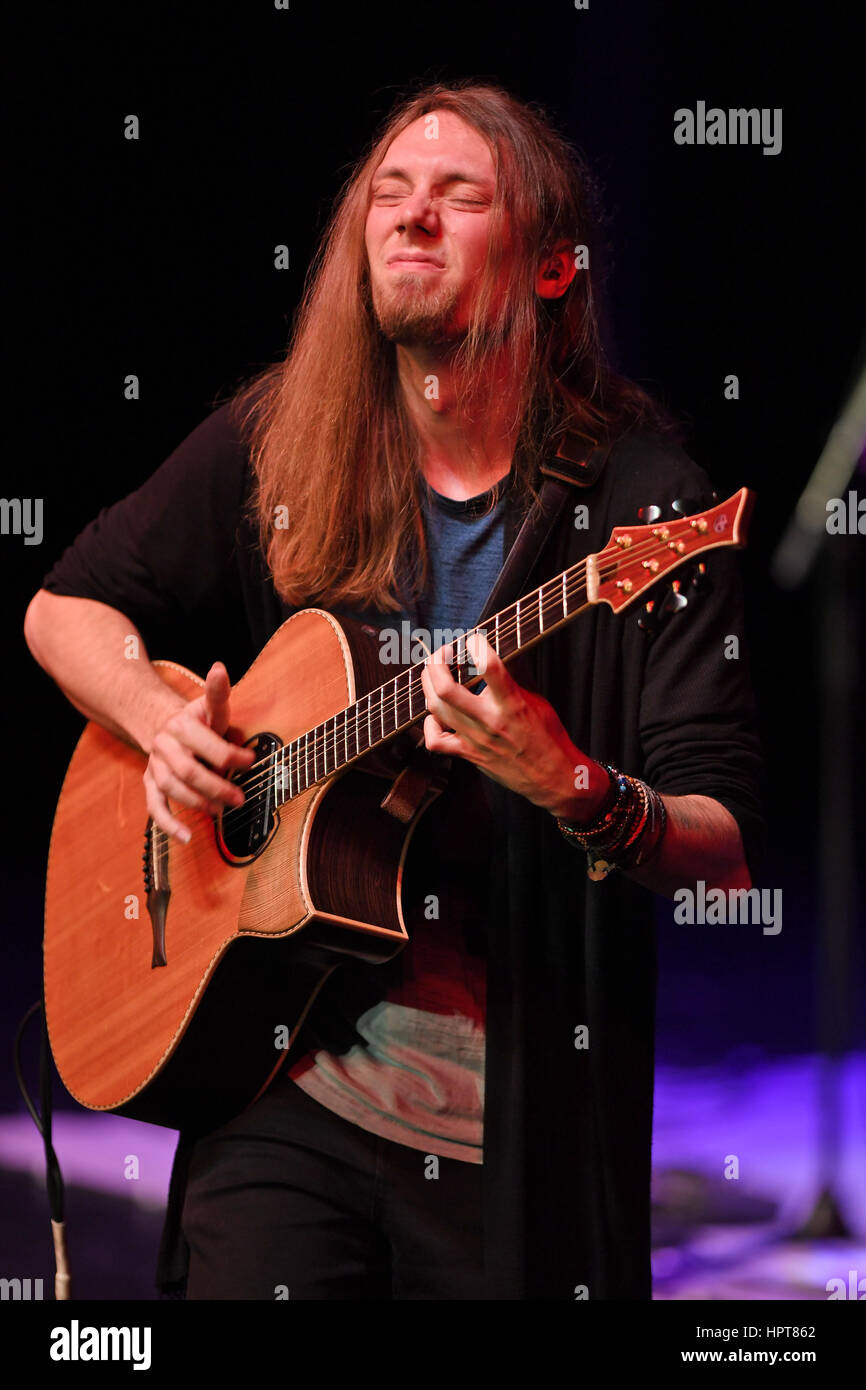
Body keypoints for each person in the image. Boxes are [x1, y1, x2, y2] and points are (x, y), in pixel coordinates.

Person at [24, 81, 762, 1300]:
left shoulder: (641, 506)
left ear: (547, 268)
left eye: (458, 196)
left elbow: (722, 852)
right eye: (389, 193)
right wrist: (164, 727)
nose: (409, 218)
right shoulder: (287, 436)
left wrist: (569, 782)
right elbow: (62, 608)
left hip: (499, 1141)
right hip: (276, 1086)